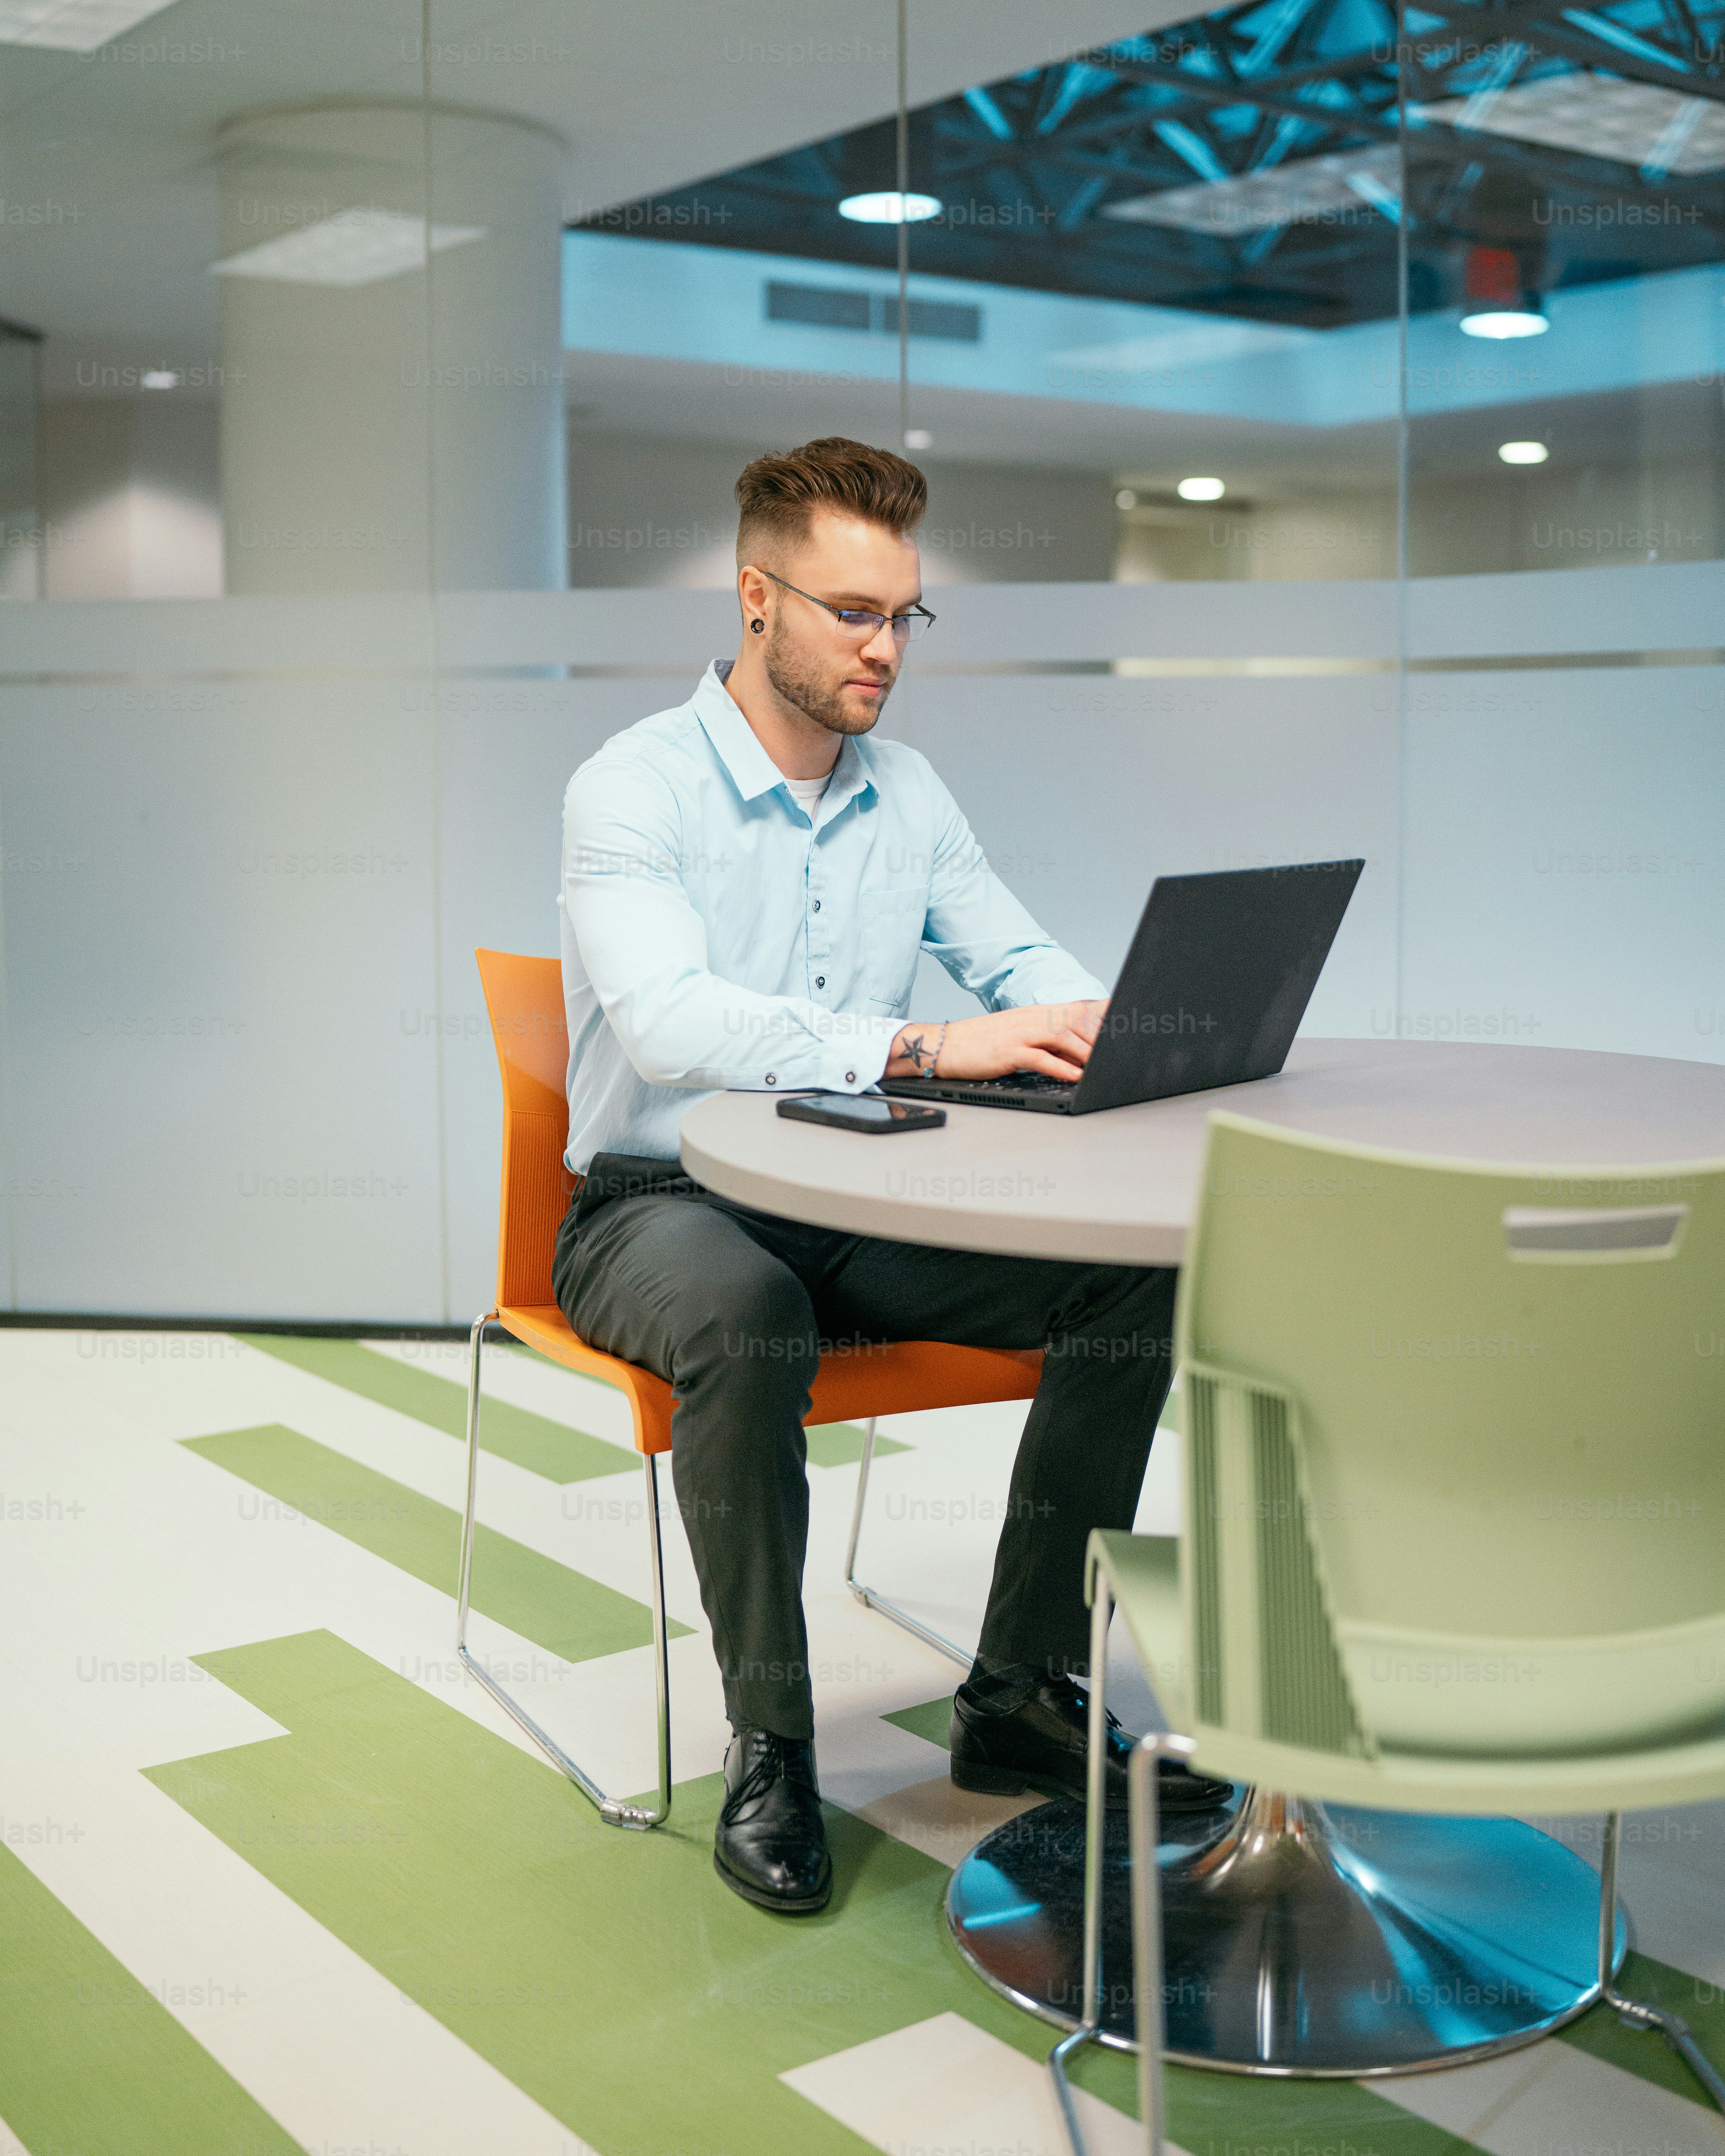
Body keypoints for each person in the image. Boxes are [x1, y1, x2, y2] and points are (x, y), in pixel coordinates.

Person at [552, 435, 1229, 1916]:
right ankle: (772, 1741)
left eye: (904, 615)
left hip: (851, 1202)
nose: (886, 648)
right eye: (853, 612)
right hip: (654, 1206)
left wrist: (1130, 1027)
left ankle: (1021, 1689)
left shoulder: (907, 793)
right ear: (757, 598)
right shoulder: (634, 787)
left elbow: (1015, 959)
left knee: (1136, 1276)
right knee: (748, 1316)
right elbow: (670, 1026)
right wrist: (927, 1044)